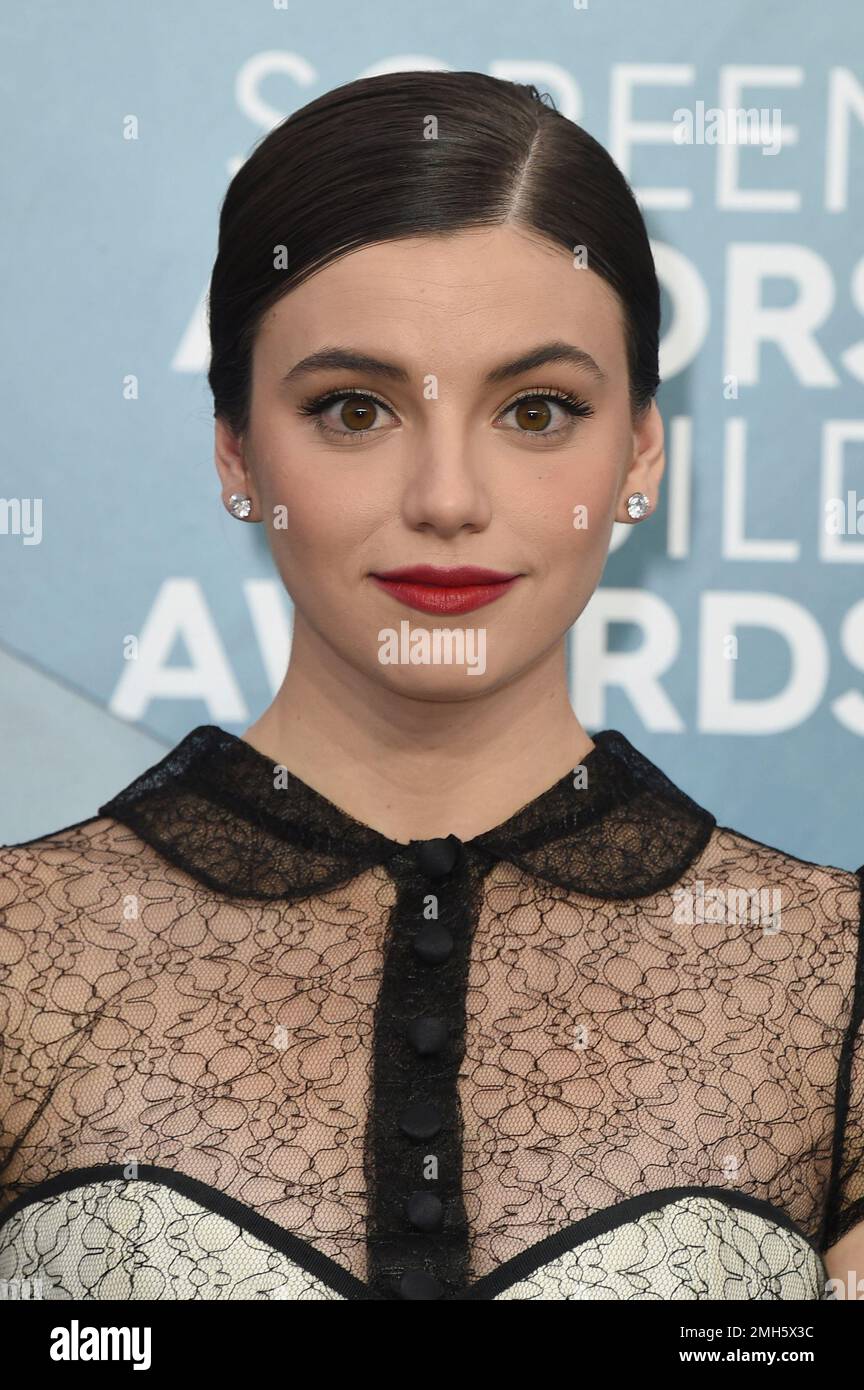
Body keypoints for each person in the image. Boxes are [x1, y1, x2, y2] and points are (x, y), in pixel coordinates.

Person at [1, 69, 862, 1302]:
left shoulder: (834, 979)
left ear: (644, 451)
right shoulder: (19, 952)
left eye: (538, 408)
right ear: (235, 449)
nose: (447, 498)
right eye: (356, 408)